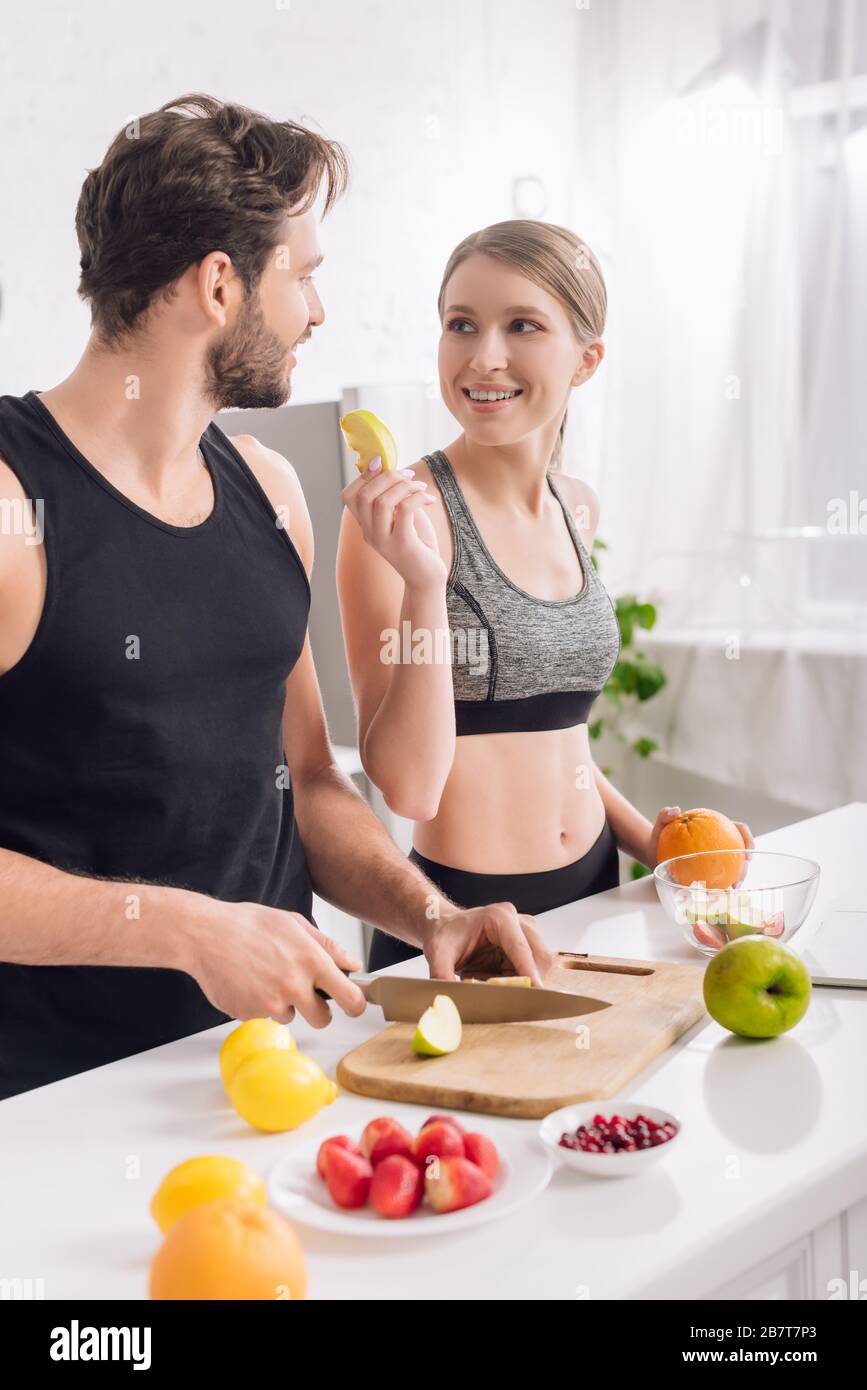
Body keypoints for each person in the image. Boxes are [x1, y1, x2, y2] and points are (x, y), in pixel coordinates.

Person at [0, 96, 551, 1101]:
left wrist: (431, 915)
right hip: (51, 1104)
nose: (318, 311)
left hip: (271, 1078)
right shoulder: (11, 507)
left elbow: (311, 783)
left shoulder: (270, 492)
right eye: (303, 275)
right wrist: (187, 928)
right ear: (220, 284)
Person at [337, 219, 754, 970]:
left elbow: (556, 738)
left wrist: (651, 842)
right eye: (460, 324)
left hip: (597, 890)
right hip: (464, 916)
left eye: (521, 325)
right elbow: (408, 786)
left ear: (586, 360)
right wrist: (426, 584)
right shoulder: (400, 515)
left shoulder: (577, 505)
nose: (482, 356)